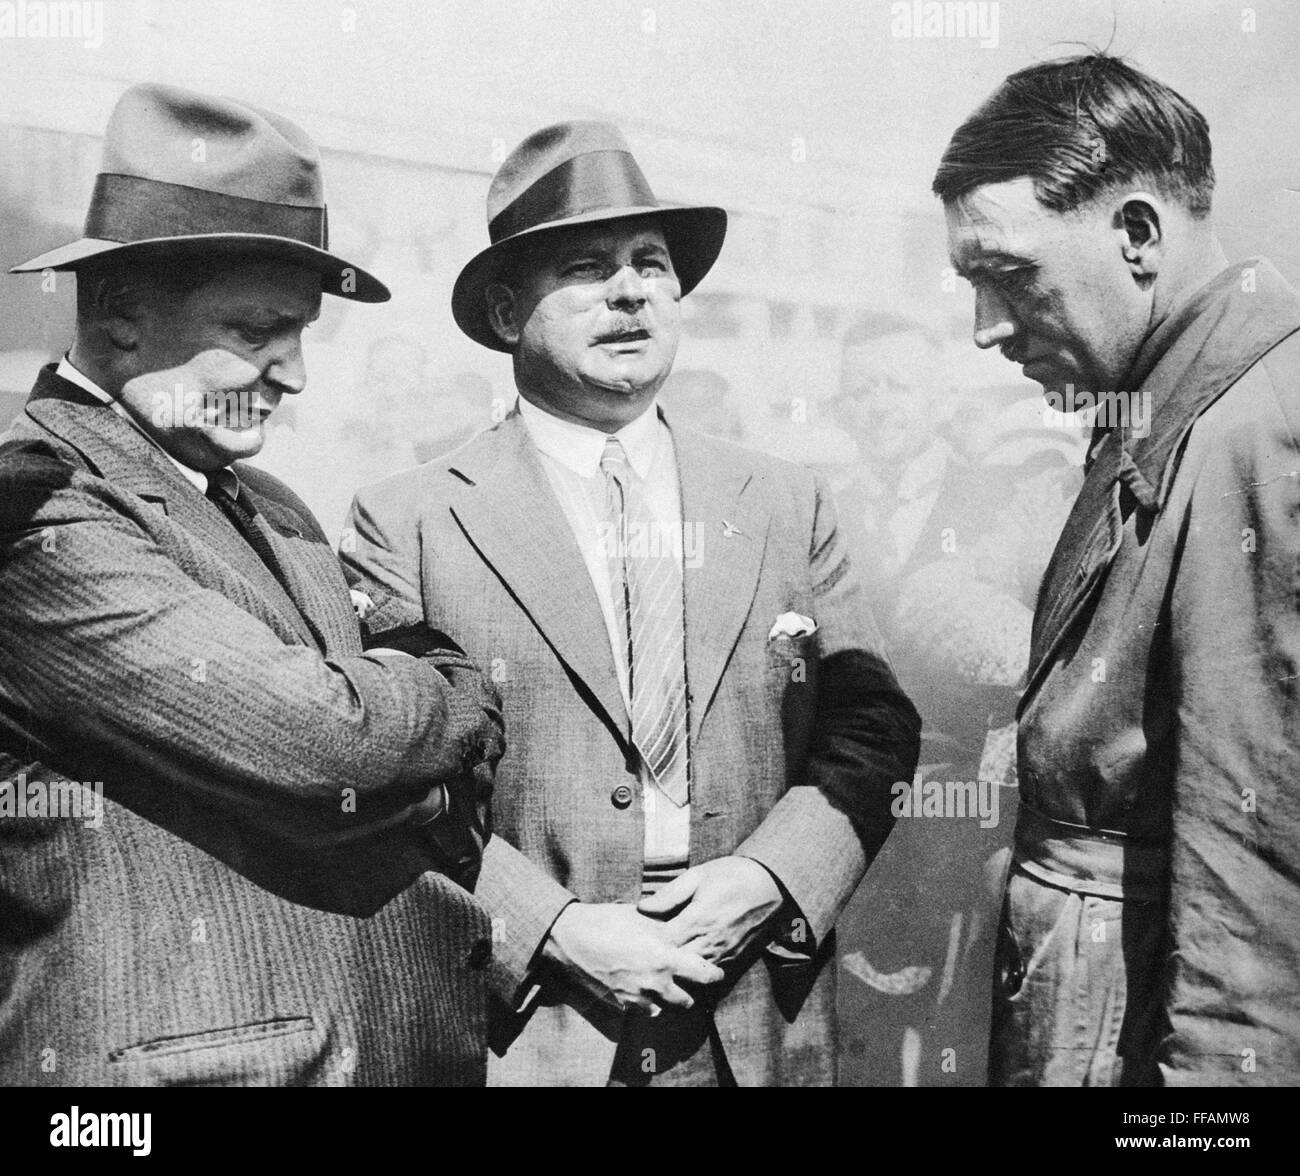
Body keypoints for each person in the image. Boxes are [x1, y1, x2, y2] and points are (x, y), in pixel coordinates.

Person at [343, 121, 921, 1086]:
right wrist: (557, 931)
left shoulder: (782, 499)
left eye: (652, 263)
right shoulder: (407, 518)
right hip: (537, 1029)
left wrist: (768, 879)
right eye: (586, 266)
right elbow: (396, 790)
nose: (632, 290)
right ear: (502, 311)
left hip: (749, 1018)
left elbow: (871, 725)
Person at [0, 84, 503, 1086]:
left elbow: (395, 709)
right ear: (122, 316)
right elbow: (324, 746)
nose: (295, 373)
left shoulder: (269, 501)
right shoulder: (37, 507)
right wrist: (444, 710)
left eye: (302, 332)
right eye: (255, 330)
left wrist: (390, 736)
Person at [935, 52, 1300, 1086]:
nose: (987, 330)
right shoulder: (1165, 401)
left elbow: (1252, 860)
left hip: (1131, 1026)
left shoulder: (1251, 428)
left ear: (1136, 234)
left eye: (1009, 276)